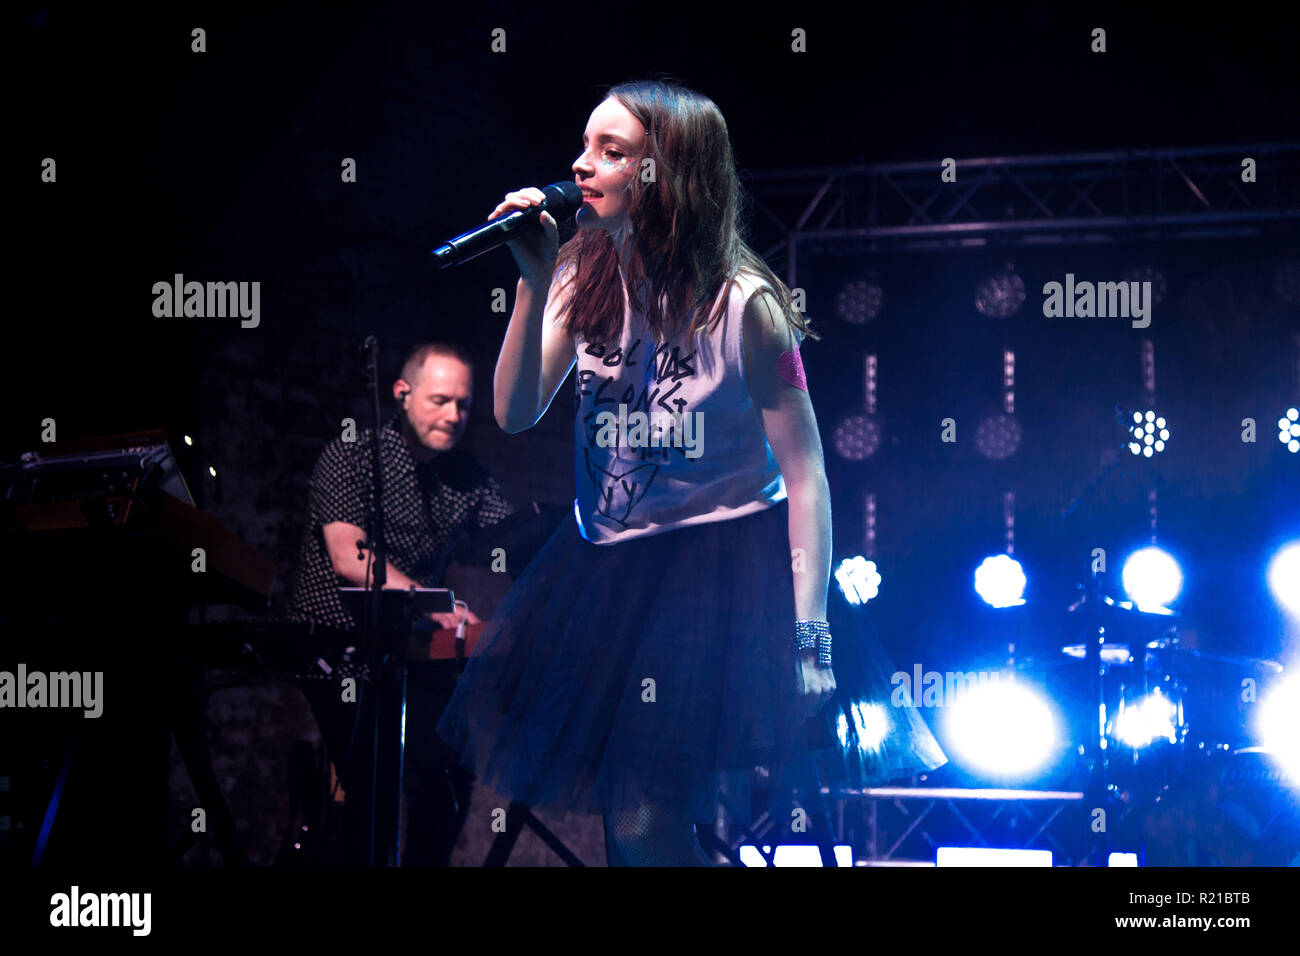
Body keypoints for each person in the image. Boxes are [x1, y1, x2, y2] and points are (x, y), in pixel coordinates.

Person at [435, 79, 946, 866]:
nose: (581, 165)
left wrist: (811, 640)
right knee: (633, 825)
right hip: (606, 566)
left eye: (612, 151)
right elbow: (514, 411)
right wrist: (534, 284)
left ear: (667, 173)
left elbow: (806, 476)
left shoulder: (747, 305)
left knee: (643, 817)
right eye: (584, 145)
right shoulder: (579, 273)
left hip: (718, 569)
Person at [287, 341, 516, 865]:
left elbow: (518, 535)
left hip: (409, 653)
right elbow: (350, 558)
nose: (454, 415)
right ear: (401, 394)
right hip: (337, 650)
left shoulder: (467, 479)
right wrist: (436, 602)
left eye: (463, 403)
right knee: (374, 779)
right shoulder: (350, 455)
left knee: (452, 767)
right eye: (440, 400)